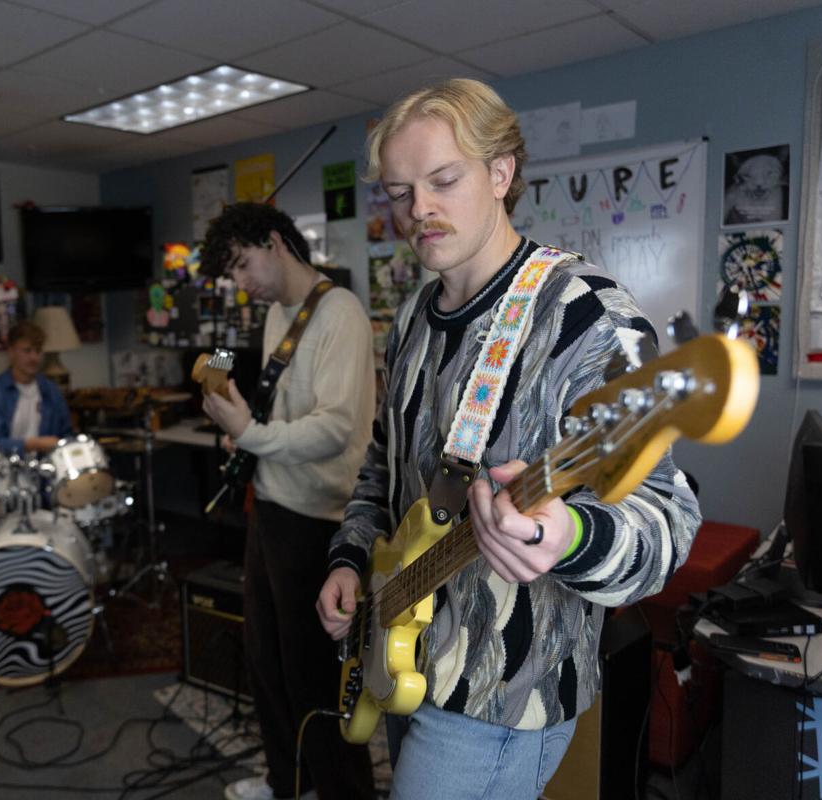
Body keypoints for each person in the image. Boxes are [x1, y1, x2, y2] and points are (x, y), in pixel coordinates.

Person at [315, 78, 702, 799]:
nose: (417, 210)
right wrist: (349, 558)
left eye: (443, 180)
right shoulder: (409, 319)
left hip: (497, 699)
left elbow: (669, 521)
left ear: (501, 172)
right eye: (400, 192)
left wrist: (573, 537)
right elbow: (382, 463)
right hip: (399, 654)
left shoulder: (589, 319)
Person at [198, 202, 377, 800]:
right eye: (234, 275)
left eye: (245, 265)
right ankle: (288, 780)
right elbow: (286, 415)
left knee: (315, 674)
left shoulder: (341, 313)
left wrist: (252, 434)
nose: (242, 284)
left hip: (321, 521)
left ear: (275, 242)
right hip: (271, 505)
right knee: (267, 660)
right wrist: (243, 424)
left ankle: (340, 790)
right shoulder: (277, 314)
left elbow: (334, 427)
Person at [0, 319, 73, 456]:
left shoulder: (51, 391)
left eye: (38, 351)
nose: (34, 357)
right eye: (27, 351)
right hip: (6, 471)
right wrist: (31, 444)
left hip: (47, 471)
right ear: (11, 352)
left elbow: (66, 436)